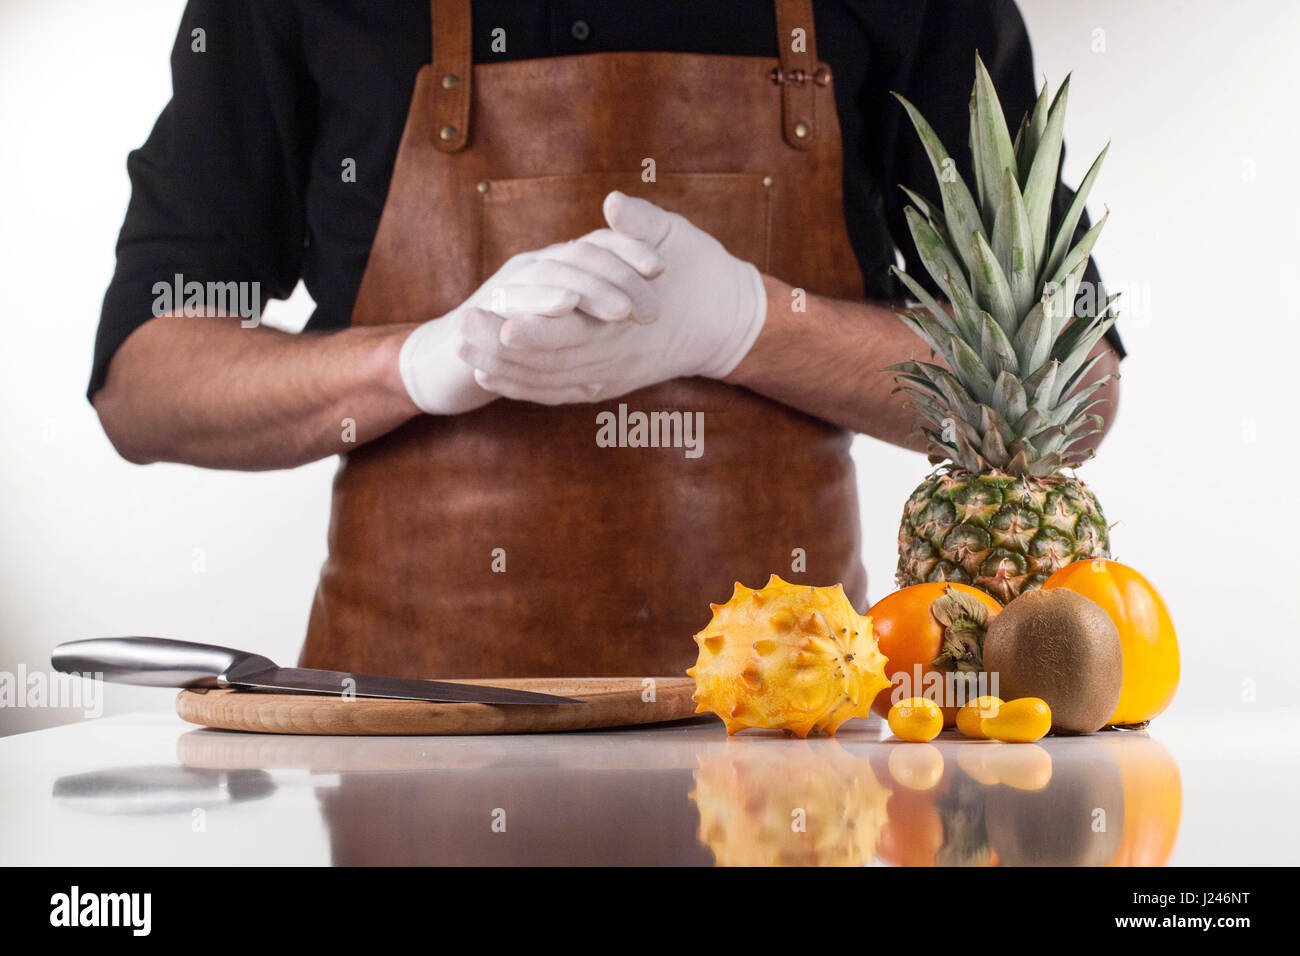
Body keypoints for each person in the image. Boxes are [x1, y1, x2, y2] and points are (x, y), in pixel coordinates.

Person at [89, 1, 1123, 678]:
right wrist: (417, 361)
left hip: (789, 742)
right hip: (398, 739)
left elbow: (1079, 382)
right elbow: (145, 377)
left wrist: (750, 325)